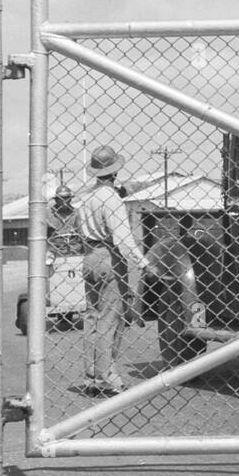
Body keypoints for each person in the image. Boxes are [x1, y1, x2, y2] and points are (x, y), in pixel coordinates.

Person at [75, 145, 152, 395]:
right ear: (115, 171)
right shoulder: (111, 200)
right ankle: (107, 377)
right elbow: (123, 239)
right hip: (109, 257)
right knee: (110, 320)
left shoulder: (86, 198)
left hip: (89, 256)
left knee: (92, 318)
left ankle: (92, 378)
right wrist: (143, 263)